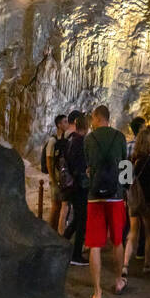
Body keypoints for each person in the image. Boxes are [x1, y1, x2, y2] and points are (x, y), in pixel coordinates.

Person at [83, 105, 128, 298]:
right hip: (116, 196)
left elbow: (88, 167)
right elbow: (125, 166)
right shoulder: (119, 137)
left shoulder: (89, 139)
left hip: (95, 196)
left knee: (94, 245)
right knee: (117, 241)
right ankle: (119, 281)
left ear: (96, 117)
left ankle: (97, 292)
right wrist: (124, 189)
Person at [123, 126, 150, 276]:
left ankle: (125, 265)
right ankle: (147, 264)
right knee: (149, 233)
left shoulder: (131, 160)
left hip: (133, 201)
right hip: (146, 203)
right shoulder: (149, 162)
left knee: (132, 233)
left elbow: (124, 181)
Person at [61, 111, 89, 264]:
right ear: (86, 126)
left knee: (77, 218)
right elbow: (79, 167)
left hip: (71, 185)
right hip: (79, 187)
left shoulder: (71, 140)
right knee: (81, 219)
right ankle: (76, 254)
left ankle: (62, 244)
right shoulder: (80, 142)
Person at [44, 114, 71, 235]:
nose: (67, 124)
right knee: (55, 206)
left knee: (60, 206)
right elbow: (49, 161)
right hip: (55, 178)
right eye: (65, 122)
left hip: (62, 178)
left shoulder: (64, 140)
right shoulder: (52, 141)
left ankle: (54, 233)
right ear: (59, 125)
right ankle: (50, 232)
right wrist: (53, 180)